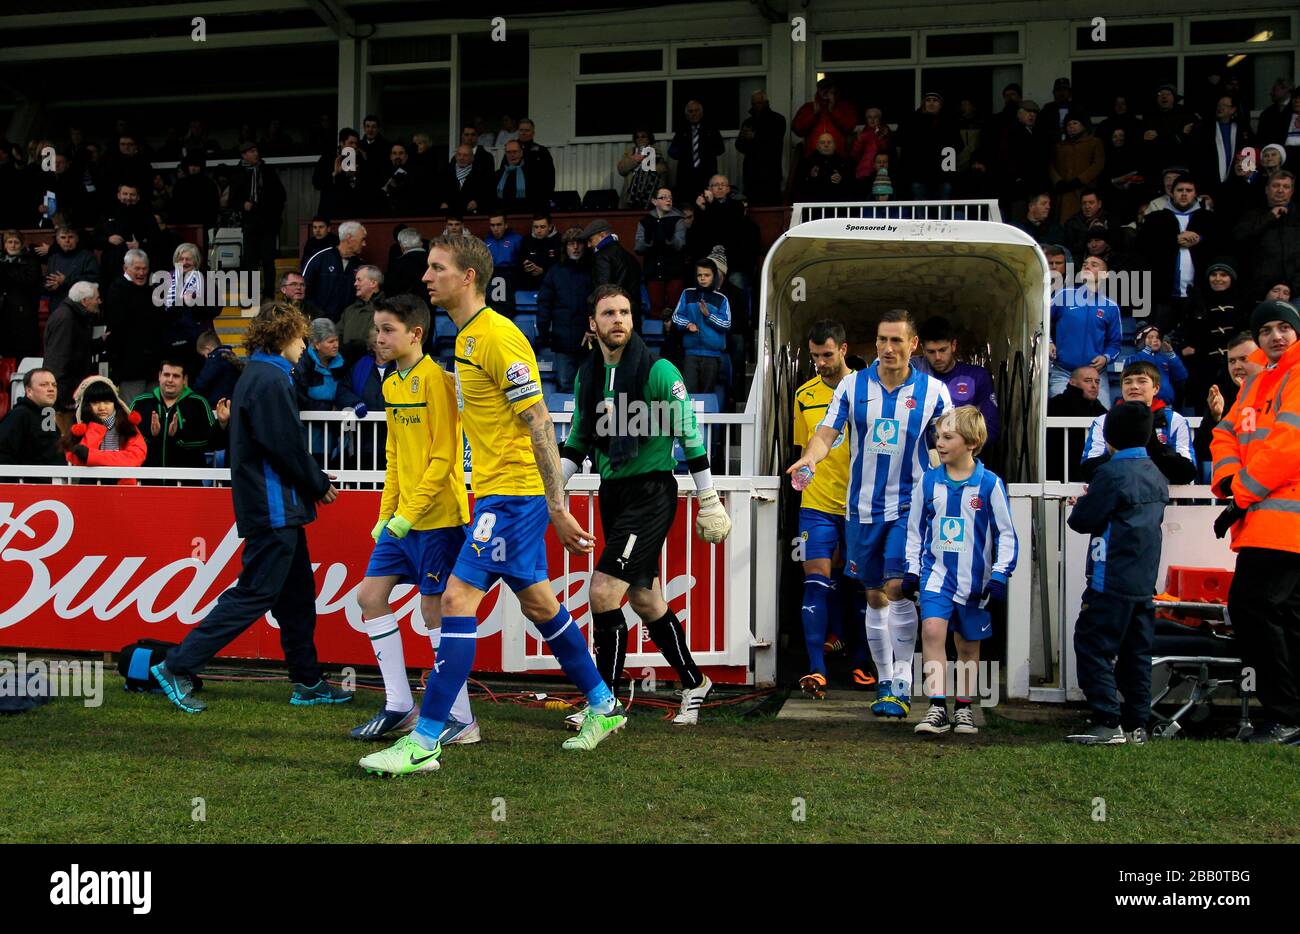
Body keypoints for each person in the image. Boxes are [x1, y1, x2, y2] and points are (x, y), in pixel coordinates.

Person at [357, 235, 626, 776]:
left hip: (513, 496)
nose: (427, 277)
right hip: (502, 494)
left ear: (468, 277)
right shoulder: (466, 339)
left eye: (437, 268)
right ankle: (604, 705)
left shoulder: (497, 337)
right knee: (541, 605)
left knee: (456, 599)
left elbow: (540, 421)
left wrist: (555, 505)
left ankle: (427, 739)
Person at [150, 303, 350, 713]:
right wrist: (318, 483)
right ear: (282, 338)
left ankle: (308, 681)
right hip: (273, 505)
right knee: (255, 593)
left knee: (296, 596)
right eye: (299, 339)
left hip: (275, 505)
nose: (303, 347)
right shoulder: (269, 378)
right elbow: (284, 445)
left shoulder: (260, 375)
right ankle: (177, 665)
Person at [558, 284, 732, 726]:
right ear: (592, 324)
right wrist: (554, 491)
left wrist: (708, 500)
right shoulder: (587, 375)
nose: (618, 319)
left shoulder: (660, 371)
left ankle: (605, 703)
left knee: (602, 592)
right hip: (613, 493)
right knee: (645, 599)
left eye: (625, 312)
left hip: (652, 493)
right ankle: (695, 683)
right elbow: (578, 440)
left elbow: (689, 437)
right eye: (608, 313)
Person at [787, 309, 952, 719]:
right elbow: (827, 431)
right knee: (875, 595)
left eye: (897, 340)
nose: (889, 348)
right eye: (882, 340)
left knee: (896, 588)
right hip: (860, 509)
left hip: (910, 508)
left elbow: (950, 439)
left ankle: (901, 682)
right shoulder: (852, 386)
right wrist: (809, 458)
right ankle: (885, 680)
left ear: (913, 345)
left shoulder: (934, 392)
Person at [351, 295, 478, 745]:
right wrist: (387, 515)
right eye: (378, 329)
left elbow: (444, 458)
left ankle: (461, 718)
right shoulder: (390, 383)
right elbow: (393, 456)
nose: (378, 338)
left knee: (435, 609)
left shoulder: (438, 382)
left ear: (415, 334)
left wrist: (407, 514)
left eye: (387, 330)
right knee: (370, 596)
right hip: (403, 520)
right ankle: (400, 706)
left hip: (439, 518)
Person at [1210, 299, 1300, 743]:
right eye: (1267, 331)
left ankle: (1285, 715)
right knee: (1281, 614)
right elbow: (1226, 432)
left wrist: (1239, 492)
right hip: (1267, 519)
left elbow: (1288, 446)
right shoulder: (1258, 380)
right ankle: (1289, 715)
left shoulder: (1295, 376)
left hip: (1283, 521)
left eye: (1285, 328)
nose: (1276, 337)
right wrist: (1228, 480)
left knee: (1253, 608)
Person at [905, 406, 1017, 736]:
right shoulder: (929, 482)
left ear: (972, 442)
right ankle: (937, 706)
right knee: (932, 633)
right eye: (938, 436)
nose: (939, 443)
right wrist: (912, 569)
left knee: (968, 646)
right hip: (936, 575)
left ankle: (964, 708)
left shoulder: (989, 484)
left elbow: (1007, 533)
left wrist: (999, 573)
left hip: (975, 582)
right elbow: (914, 530)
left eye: (948, 437)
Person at [1065, 401, 1170, 745]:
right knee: (1136, 653)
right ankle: (1136, 723)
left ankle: (1107, 719)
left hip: (1108, 580)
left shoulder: (1109, 473)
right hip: (1143, 583)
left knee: (1092, 643)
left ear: (1109, 437)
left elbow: (1082, 522)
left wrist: (1083, 503)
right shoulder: (1155, 473)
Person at [792, 321, 872, 698]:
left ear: (843, 349)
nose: (821, 363)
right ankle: (816, 670)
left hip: (859, 505)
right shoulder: (804, 394)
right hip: (817, 504)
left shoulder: (868, 390)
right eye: (814, 356)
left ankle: (861, 663)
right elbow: (803, 448)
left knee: (861, 585)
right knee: (815, 582)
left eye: (826, 354)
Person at [1080, 359, 1195, 484]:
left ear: (1156, 388)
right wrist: (1120, 448)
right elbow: (1088, 471)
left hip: (1166, 499)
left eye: (1142, 381)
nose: (1134, 386)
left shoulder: (1175, 420)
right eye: (1127, 382)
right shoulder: (1103, 420)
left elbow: (1186, 473)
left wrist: (1152, 444)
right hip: (1117, 494)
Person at [1139, 174, 1220, 331]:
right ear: (1172, 193)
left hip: (1199, 294)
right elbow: (1144, 247)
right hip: (1163, 294)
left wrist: (1200, 240)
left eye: (1189, 190)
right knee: (1157, 340)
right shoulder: (1155, 218)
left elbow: (1219, 244)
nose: (1184, 194)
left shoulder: (1209, 219)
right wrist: (1173, 240)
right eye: (1180, 190)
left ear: (1195, 194)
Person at [914, 315, 1000, 449]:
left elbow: (990, 428)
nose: (937, 357)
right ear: (923, 350)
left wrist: (956, 450)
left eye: (943, 350)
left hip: (964, 462)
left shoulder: (977, 376)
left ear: (953, 345)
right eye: (931, 352)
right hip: (922, 461)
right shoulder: (914, 377)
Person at [128, 360, 229, 470]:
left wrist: (222, 423)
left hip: (187, 482)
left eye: (176, 376)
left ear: (184, 380)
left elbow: (214, 444)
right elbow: (126, 439)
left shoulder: (199, 403)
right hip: (147, 481)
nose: (170, 380)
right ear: (159, 376)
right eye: (166, 375)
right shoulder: (140, 402)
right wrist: (152, 435)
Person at [1049, 254, 1122, 405]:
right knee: (1058, 420)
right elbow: (1040, 321)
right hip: (1064, 373)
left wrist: (1105, 357)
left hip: (1096, 375)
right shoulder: (1064, 295)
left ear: (1106, 275)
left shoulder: (1111, 306)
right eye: (1084, 264)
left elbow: (1115, 344)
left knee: (1102, 422)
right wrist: (1048, 342)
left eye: (1094, 264)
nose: (1087, 266)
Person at [536, 226, 593, 392]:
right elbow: (544, 304)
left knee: (587, 388)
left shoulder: (593, 270)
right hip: (563, 341)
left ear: (585, 245)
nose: (575, 247)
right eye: (571, 244)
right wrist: (544, 332)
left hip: (588, 340)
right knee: (565, 385)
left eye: (579, 243)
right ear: (564, 247)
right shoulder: (555, 272)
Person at [1192, 332, 1259, 467]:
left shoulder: (1285, 392)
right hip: (1239, 484)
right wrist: (1214, 417)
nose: (1236, 366)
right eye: (1232, 361)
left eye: (1244, 359)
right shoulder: (1223, 398)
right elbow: (1202, 452)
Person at [103, 249, 162, 401]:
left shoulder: (152, 290)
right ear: (126, 268)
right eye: (137, 268)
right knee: (132, 411)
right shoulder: (117, 289)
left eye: (144, 268)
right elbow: (118, 329)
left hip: (152, 364)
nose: (141, 273)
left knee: (152, 410)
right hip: (129, 366)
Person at [229, 142, 285, 300]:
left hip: (268, 222)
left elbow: (281, 196)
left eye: (256, 151)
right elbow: (232, 200)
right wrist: (242, 204)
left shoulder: (267, 171)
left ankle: (268, 294)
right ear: (244, 155)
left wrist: (273, 213)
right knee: (250, 261)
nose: (255, 154)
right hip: (250, 223)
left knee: (268, 259)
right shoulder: (238, 173)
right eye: (251, 151)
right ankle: (252, 295)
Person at [63, 375, 148, 479]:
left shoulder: (127, 425)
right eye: (95, 402)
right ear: (85, 405)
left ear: (115, 403)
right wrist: (96, 428)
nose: (102, 407)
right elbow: (76, 459)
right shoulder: (79, 428)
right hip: (89, 488)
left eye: (107, 402)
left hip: (122, 489)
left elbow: (135, 457)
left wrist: (91, 456)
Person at [1231, 171, 1298, 301]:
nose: (1280, 190)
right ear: (1267, 189)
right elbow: (1238, 238)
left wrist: (1295, 285)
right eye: (1276, 185)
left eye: (1286, 187)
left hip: (1296, 293)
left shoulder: (1298, 216)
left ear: (1292, 191)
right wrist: (1270, 217)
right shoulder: (1252, 215)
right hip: (1260, 292)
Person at [671, 258, 732, 394]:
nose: (703, 278)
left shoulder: (721, 299)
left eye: (707, 275)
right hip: (690, 353)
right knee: (689, 394)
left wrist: (708, 315)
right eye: (699, 275)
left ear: (714, 277)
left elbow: (727, 323)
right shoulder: (687, 294)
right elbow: (676, 316)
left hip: (712, 355)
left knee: (707, 395)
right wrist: (688, 324)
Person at [43, 281, 101, 415]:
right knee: (64, 434)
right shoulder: (66, 319)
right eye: (96, 298)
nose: (99, 301)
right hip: (64, 398)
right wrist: (62, 398)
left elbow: (79, 348)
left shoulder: (76, 317)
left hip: (72, 392)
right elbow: (58, 361)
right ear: (85, 301)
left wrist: (100, 342)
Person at [1047, 365, 1107, 481]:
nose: (1094, 385)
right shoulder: (1057, 404)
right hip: (1060, 476)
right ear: (1072, 382)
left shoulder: (1097, 407)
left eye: (1097, 381)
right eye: (1087, 381)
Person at [635, 187, 688, 318]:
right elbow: (638, 247)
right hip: (653, 272)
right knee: (655, 310)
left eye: (670, 197)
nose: (668, 200)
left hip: (674, 271)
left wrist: (666, 239)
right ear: (654, 201)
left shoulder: (678, 219)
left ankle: (675, 337)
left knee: (676, 310)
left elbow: (680, 245)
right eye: (663, 197)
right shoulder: (645, 221)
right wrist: (651, 242)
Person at [582, 218, 642, 333]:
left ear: (603, 235)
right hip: (631, 317)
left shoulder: (601, 257)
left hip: (613, 319)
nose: (589, 245)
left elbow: (601, 291)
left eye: (591, 240)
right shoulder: (629, 256)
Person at [94, 182, 157, 287]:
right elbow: (95, 239)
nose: (128, 197)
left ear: (138, 197)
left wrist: (140, 245)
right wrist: (108, 240)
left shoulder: (146, 215)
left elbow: (157, 240)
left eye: (132, 194)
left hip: (139, 270)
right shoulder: (107, 213)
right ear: (119, 195)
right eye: (125, 194)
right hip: (112, 269)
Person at [303, 220, 366, 322]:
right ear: (349, 238)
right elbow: (304, 289)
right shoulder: (320, 258)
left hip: (348, 324)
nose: (364, 244)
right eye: (362, 239)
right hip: (320, 323)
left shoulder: (361, 265)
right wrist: (319, 315)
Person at [0, 368, 63, 466]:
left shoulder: (48, 416)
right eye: (44, 385)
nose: (51, 389)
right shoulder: (19, 415)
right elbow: (3, 453)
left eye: (54, 385)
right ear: (29, 391)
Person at [735, 90, 786, 206]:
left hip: (770, 172)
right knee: (752, 207)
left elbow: (774, 141)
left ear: (766, 102)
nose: (756, 106)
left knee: (771, 207)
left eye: (759, 103)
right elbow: (739, 145)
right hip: (751, 173)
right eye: (754, 103)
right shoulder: (748, 122)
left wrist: (754, 137)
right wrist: (744, 139)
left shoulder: (778, 119)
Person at [669, 100, 725, 205]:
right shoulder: (682, 130)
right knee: (687, 206)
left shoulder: (711, 129)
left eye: (696, 110)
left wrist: (706, 149)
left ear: (702, 112)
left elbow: (720, 149)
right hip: (686, 177)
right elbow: (672, 152)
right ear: (686, 114)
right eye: (690, 111)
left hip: (707, 174)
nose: (694, 114)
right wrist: (683, 150)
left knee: (708, 205)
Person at [1050, 115, 1104, 221]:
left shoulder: (1094, 142)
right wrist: (1058, 182)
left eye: (1075, 123)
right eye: (1068, 124)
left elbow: (1098, 164)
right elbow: (1051, 165)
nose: (1071, 127)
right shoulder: (1059, 146)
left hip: (1085, 190)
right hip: (1064, 193)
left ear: (1083, 125)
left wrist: (1080, 180)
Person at [0, 229, 42, 362]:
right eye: (9, 242)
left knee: (23, 351)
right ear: (5, 244)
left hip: (23, 313)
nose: (12, 245)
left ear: (22, 244)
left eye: (16, 242)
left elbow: (31, 281)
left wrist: (8, 270)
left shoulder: (30, 260)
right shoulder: (1, 260)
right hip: (3, 311)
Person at [791, 77, 857, 158]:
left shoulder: (845, 107)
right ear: (818, 90)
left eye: (829, 88)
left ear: (834, 90)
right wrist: (813, 114)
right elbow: (797, 129)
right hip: (813, 156)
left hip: (838, 156)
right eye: (823, 88)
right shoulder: (808, 107)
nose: (825, 91)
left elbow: (849, 127)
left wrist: (833, 111)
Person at [37, 226, 99, 308]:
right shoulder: (53, 258)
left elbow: (94, 280)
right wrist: (50, 286)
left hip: (80, 306)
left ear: (77, 239)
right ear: (58, 241)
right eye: (63, 237)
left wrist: (66, 280)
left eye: (70, 237)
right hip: (57, 305)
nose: (67, 241)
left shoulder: (87, 257)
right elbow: (47, 281)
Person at [338, 265, 385, 365]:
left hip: (373, 366)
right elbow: (337, 334)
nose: (355, 284)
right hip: (346, 367)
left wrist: (357, 347)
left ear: (373, 283)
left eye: (359, 280)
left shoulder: (386, 309)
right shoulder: (349, 310)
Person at [1133, 324, 1187, 407]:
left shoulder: (1166, 358)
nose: (1155, 340)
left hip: (1165, 405)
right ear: (1141, 340)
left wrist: (1171, 354)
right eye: (1150, 337)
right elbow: (1137, 369)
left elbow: (1182, 376)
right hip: (1143, 405)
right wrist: (1147, 349)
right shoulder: (1135, 358)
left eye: (1157, 337)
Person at [617, 128, 668, 211]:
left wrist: (648, 160)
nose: (640, 139)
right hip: (630, 196)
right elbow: (621, 169)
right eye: (637, 137)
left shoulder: (656, 152)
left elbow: (663, 169)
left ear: (649, 139)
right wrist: (635, 160)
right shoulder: (630, 152)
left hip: (650, 195)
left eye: (643, 136)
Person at [794, 133, 853, 202]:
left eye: (829, 142)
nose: (826, 145)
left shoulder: (843, 163)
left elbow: (850, 185)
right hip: (813, 204)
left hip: (836, 204)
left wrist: (841, 179)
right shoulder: (807, 163)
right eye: (822, 143)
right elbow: (799, 186)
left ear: (834, 146)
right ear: (817, 146)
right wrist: (811, 177)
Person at [194, 330, 243, 407]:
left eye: (204, 355)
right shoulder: (232, 356)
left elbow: (202, 382)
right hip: (233, 403)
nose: (205, 358)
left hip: (218, 405)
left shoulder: (214, 359)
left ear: (208, 349)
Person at [518, 213, 561, 291]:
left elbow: (560, 267)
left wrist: (543, 271)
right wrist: (525, 267)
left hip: (552, 285)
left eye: (542, 227)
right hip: (530, 284)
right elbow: (520, 261)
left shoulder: (559, 240)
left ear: (550, 227)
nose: (538, 230)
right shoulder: (526, 240)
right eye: (536, 227)